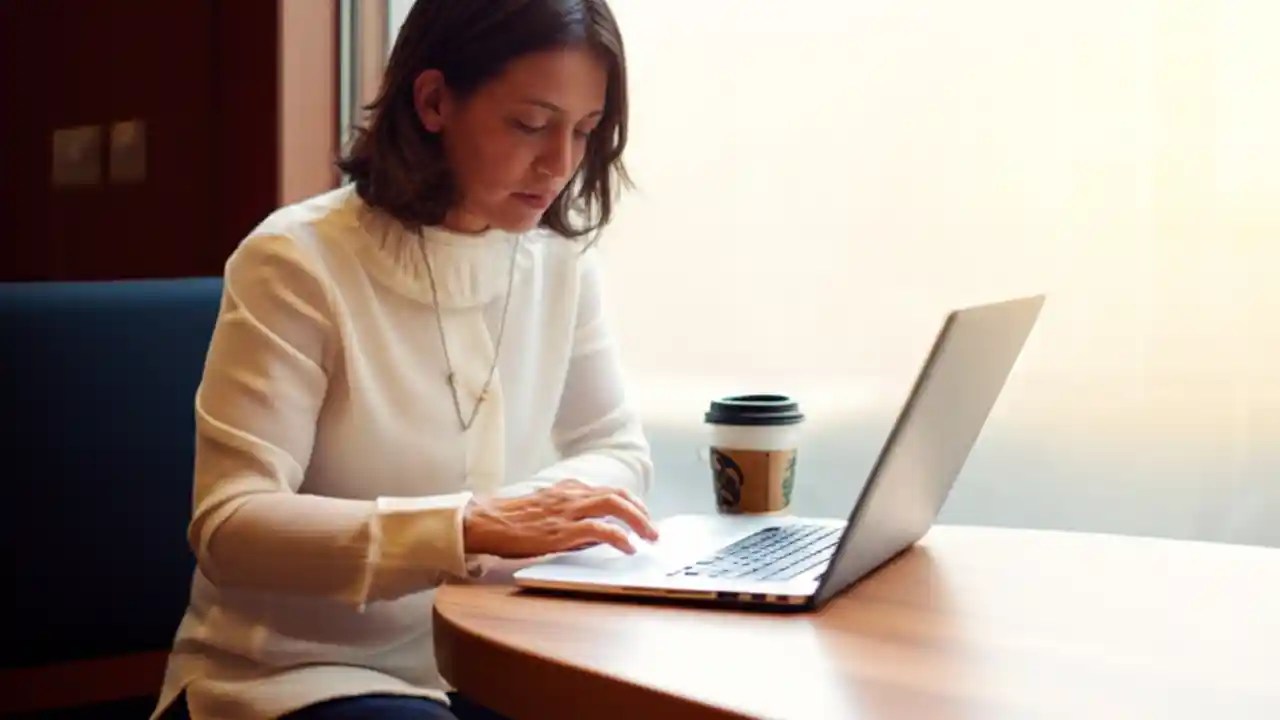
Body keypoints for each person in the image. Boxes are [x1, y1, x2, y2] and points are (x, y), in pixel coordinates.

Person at [152, 1, 659, 717]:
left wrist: (525, 516)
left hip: (497, 657)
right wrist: (465, 527)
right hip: (299, 674)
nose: (561, 164)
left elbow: (617, 451)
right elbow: (231, 527)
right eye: (530, 124)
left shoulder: (561, 264)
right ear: (433, 101)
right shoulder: (296, 261)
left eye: (584, 130)